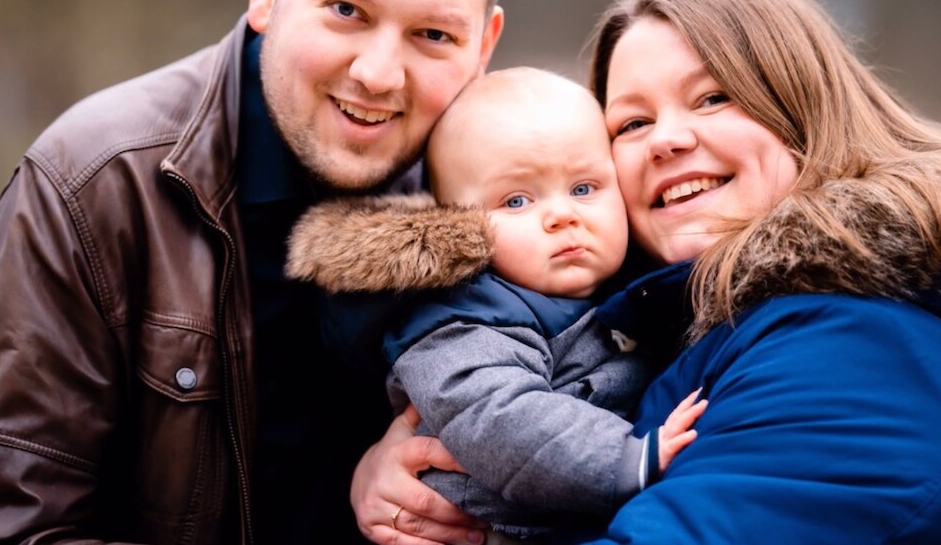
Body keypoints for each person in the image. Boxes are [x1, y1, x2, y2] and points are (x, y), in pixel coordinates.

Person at [370, 0, 941, 543]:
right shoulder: (684, 328)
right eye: (631, 122)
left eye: (713, 98)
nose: (667, 139)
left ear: (808, 113)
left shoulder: (863, 356)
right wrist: (427, 486)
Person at [0, 0, 505, 543]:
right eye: (346, 9)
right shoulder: (93, 185)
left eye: (433, 34)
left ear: (483, 47)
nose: (379, 73)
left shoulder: (511, 205)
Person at [284, 67, 707, 543]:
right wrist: (630, 459)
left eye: (584, 189)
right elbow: (502, 419)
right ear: (461, 225)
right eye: (517, 200)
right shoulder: (459, 323)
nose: (562, 215)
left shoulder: (628, 281)